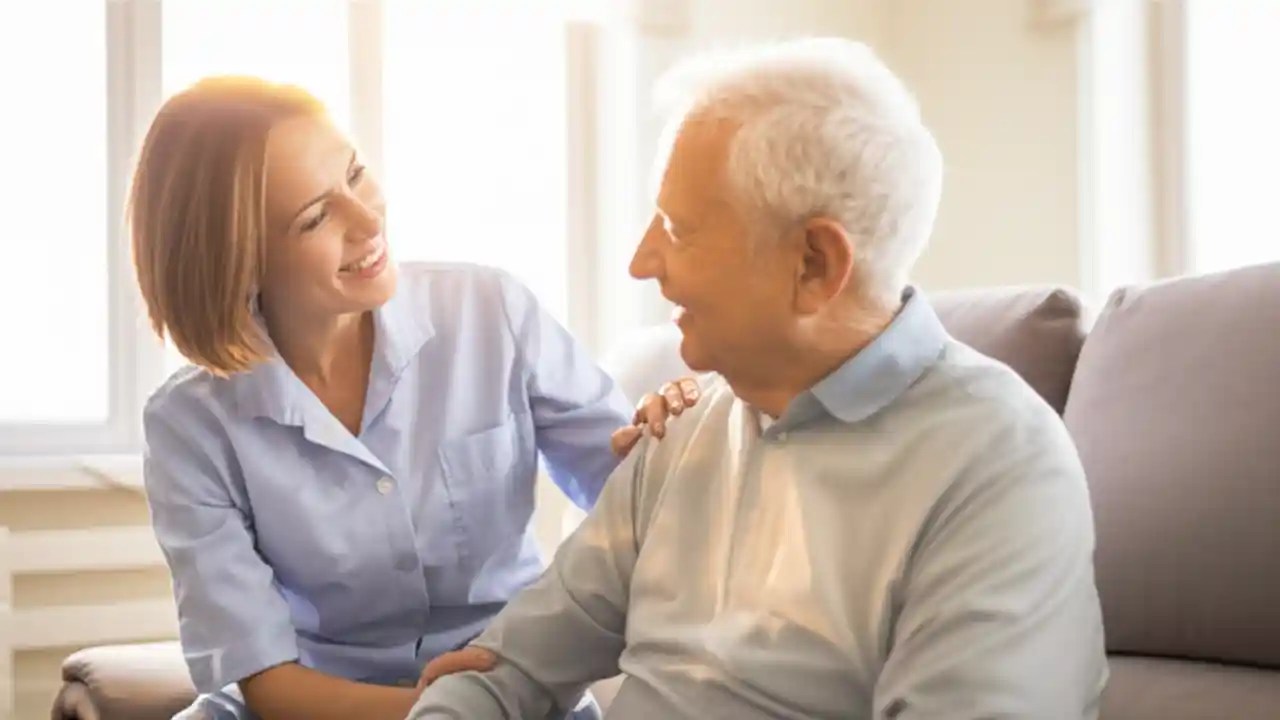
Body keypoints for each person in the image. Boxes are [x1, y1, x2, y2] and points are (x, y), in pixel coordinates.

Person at [409, 38, 1109, 719]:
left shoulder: (998, 465)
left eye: (678, 230)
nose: (642, 262)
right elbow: (505, 669)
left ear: (813, 265)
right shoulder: (680, 431)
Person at [130, 76, 696, 720]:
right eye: (316, 216)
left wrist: (662, 443)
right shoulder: (190, 424)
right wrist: (440, 711)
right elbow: (269, 684)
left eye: (356, 174)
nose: (368, 221)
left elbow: (631, 502)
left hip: (513, 692)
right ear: (238, 260)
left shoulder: (492, 312)